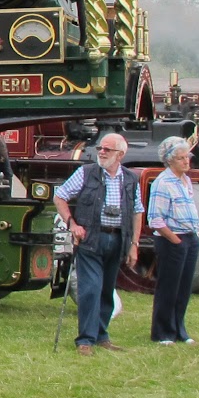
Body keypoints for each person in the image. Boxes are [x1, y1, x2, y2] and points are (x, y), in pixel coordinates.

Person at [53, 132, 143, 355]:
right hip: (91, 239)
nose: (101, 152)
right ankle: (85, 340)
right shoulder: (86, 173)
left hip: (118, 239)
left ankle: (102, 336)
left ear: (120, 155)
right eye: (100, 148)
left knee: (106, 289)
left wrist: (134, 244)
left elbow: (137, 211)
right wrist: (72, 224)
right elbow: (59, 196)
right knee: (91, 289)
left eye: (107, 149)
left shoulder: (130, 179)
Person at [146, 136, 199, 345]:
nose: (186, 161)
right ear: (170, 160)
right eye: (181, 158)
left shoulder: (185, 180)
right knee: (168, 286)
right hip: (172, 239)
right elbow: (155, 219)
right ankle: (162, 332)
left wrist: (195, 234)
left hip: (190, 236)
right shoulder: (162, 183)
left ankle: (179, 329)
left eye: (187, 157)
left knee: (184, 286)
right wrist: (175, 240)